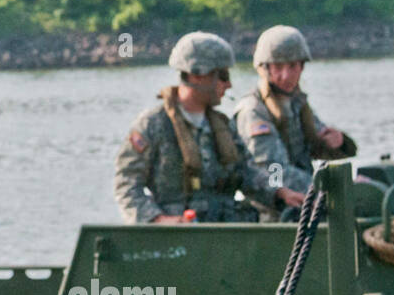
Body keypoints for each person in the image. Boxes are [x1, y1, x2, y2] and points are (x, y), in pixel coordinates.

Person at [114, 31, 304, 223]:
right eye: (222, 75)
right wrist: (158, 220)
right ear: (196, 75)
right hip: (178, 235)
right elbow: (126, 183)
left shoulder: (222, 126)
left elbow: (246, 172)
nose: (228, 84)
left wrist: (280, 192)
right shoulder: (154, 125)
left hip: (227, 230)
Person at [234, 25, 355, 219]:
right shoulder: (253, 110)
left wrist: (337, 142)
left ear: (302, 66)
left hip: (306, 203)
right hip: (274, 212)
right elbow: (274, 172)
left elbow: (318, 143)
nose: (286, 76)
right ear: (264, 69)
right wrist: (337, 188)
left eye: (293, 66)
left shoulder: (297, 103)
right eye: (278, 67)